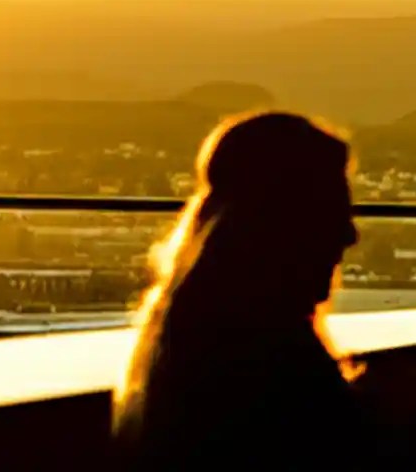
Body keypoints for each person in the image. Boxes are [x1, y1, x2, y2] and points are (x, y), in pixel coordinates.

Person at [113, 111, 368, 470]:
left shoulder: (182, 345)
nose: (349, 235)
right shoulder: (277, 367)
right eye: (331, 214)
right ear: (279, 228)